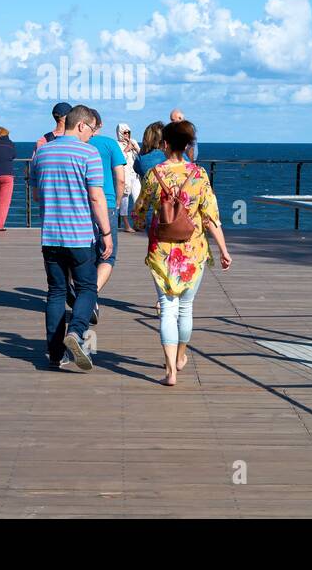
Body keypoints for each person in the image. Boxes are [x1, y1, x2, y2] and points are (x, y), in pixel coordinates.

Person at [133, 120, 231, 387]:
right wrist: (223, 250)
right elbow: (211, 218)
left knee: (167, 309)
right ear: (188, 145)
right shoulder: (199, 174)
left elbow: (139, 211)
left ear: (164, 144)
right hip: (193, 252)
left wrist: (142, 223)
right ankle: (180, 357)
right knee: (186, 308)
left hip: (161, 251)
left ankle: (170, 373)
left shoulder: (154, 174)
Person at [30, 103, 113, 372]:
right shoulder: (88, 153)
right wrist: (107, 232)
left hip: (51, 236)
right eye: (91, 129)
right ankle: (76, 334)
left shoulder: (41, 153)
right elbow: (96, 196)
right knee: (87, 288)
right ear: (80, 125)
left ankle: (55, 354)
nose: (92, 135)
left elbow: (35, 195)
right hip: (79, 236)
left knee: (55, 292)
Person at [86, 110, 127, 312]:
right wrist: (118, 203)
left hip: (82, 205)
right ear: (99, 125)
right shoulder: (110, 144)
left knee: (85, 254)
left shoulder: (79, 144)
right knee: (107, 255)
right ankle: (91, 296)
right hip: (108, 203)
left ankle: (84, 294)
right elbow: (120, 178)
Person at [30, 102, 72, 209]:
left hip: (49, 192)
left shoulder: (43, 140)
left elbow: (34, 166)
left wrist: (35, 192)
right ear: (65, 118)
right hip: (70, 189)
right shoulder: (76, 139)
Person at [115, 122, 140, 232]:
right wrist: (126, 150)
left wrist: (135, 148)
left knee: (138, 199)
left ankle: (137, 223)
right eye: (125, 133)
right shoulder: (116, 145)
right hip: (125, 176)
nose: (127, 135)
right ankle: (126, 225)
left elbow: (140, 156)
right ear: (120, 133)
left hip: (134, 175)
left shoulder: (133, 142)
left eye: (128, 132)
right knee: (124, 200)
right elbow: (119, 160)